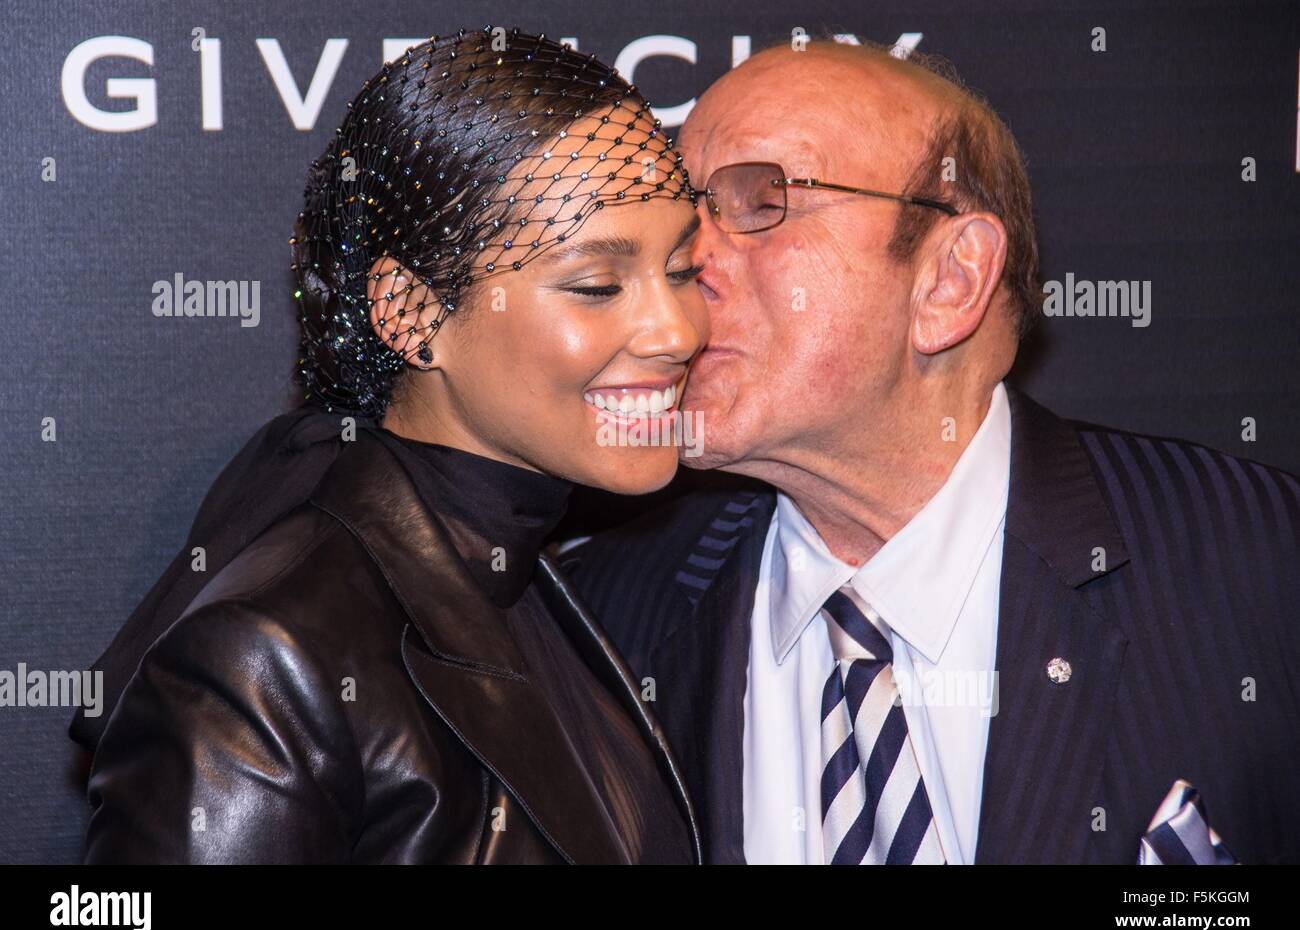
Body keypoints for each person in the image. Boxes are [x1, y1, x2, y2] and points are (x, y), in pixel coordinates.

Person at [562, 38, 1300, 864]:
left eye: (759, 199)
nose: (682, 260)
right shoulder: (594, 629)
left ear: (950, 281)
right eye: (678, 211)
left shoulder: (1257, 564)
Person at [70, 27, 708, 864]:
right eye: (596, 286)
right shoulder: (263, 666)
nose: (676, 331)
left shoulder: (536, 576)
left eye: (686, 268)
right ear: (410, 312)